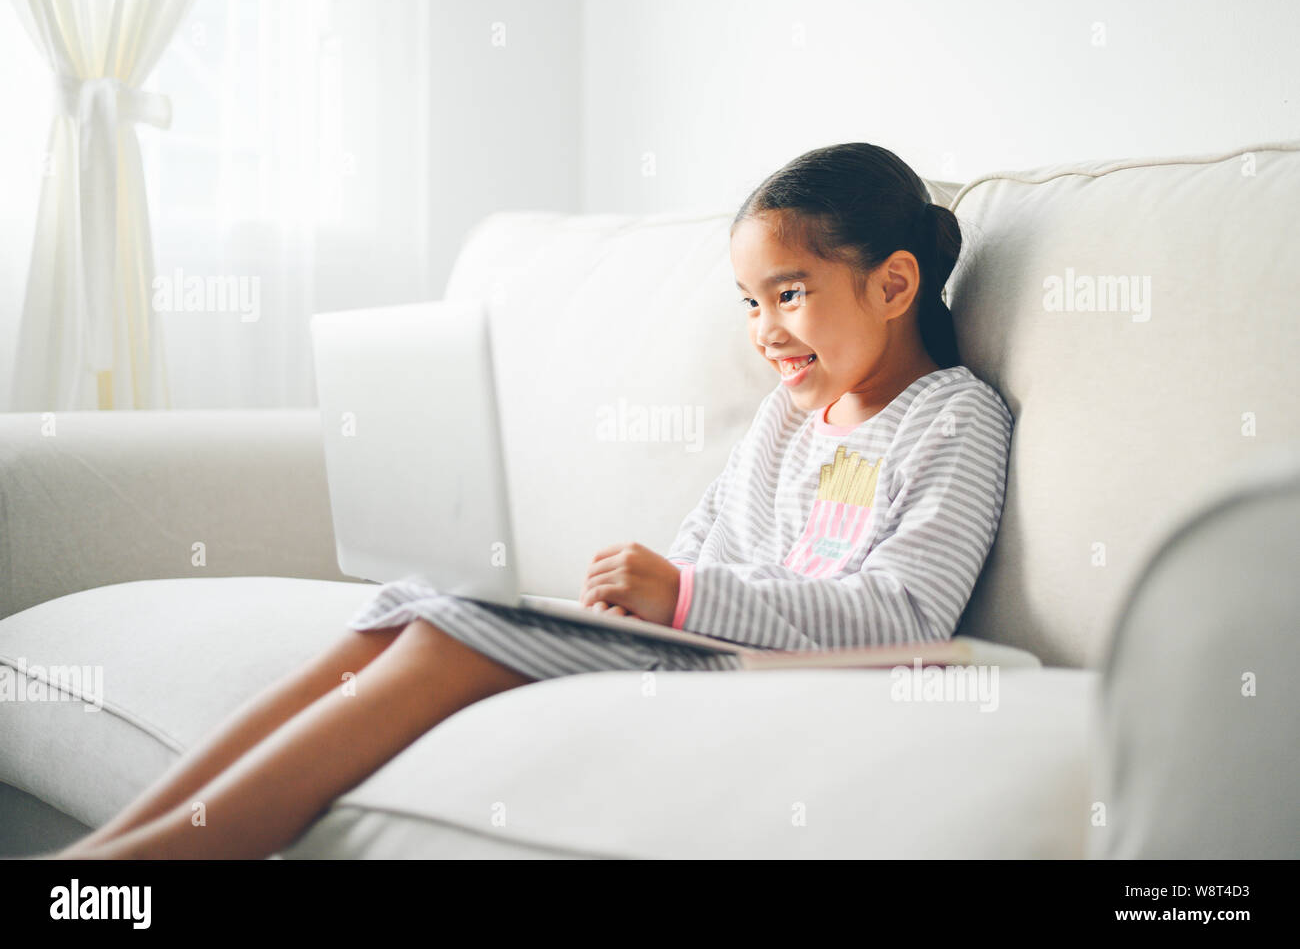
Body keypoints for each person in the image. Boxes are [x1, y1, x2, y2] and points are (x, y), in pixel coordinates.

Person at [57, 142, 1012, 859]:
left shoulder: (952, 423)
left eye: (789, 295)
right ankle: (97, 862)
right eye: (749, 302)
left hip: (802, 670)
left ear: (894, 284)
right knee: (418, 607)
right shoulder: (787, 420)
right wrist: (642, 596)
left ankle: (145, 869)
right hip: (710, 642)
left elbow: (905, 612)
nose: (764, 331)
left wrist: (681, 599)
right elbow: (706, 542)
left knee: (447, 639)